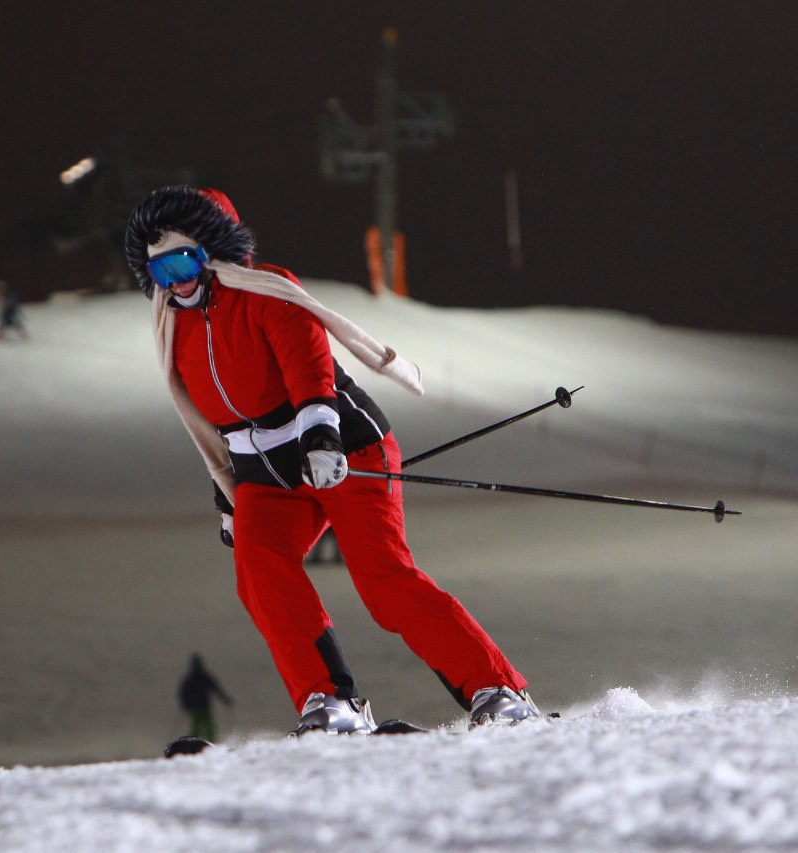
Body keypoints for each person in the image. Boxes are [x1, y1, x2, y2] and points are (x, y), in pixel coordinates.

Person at [124, 186, 539, 734]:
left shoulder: (268, 292)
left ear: (214, 251)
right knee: (259, 573)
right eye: (159, 269)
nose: (174, 279)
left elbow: (308, 367)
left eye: (184, 259)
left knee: (383, 580)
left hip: (345, 446)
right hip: (265, 473)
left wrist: (321, 438)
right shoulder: (171, 325)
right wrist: (226, 493)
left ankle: (500, 692)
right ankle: (331, 704)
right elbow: (213, 418)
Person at [179, 654, 233, 742]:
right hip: (197, 707)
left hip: (202, 707)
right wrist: (225, 699)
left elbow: (215, 688)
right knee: (199, 726)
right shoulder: (199, 677)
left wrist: (225, 699)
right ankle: (200, 742)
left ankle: (208, 742)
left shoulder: (197, 677)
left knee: (206, 726)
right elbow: (184, 692)